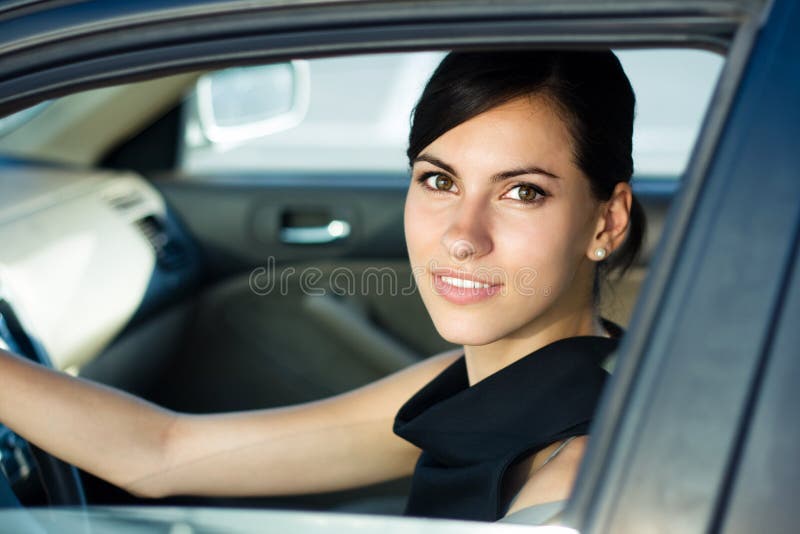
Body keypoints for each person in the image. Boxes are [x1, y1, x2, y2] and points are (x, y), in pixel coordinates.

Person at [0, 49, 643, 523]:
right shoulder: (478, 388)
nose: (462, 235)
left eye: (521, 192)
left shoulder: (575, 485)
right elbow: (163, 453)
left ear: (605, 220)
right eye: (439, 181)